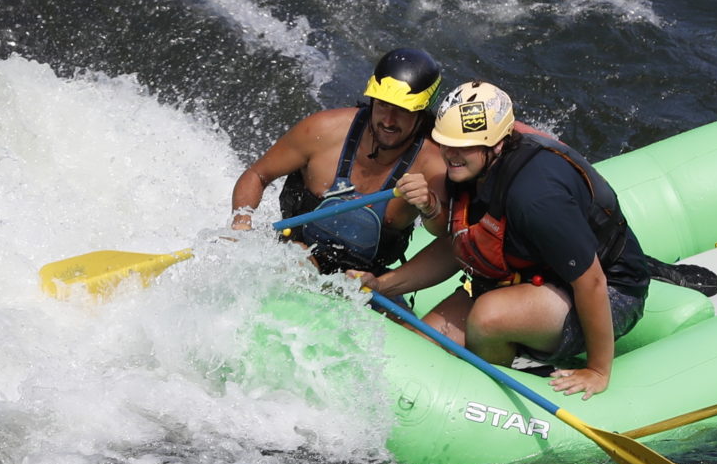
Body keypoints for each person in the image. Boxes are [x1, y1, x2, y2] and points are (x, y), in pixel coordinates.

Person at [356, 80, 651, 399]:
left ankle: (492, 389)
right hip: (526, 280)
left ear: (497, 143)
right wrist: (383, 285)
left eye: (464, 146)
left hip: (610, 292)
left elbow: (590, 280)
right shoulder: (469, 170)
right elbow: (460, 245)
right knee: (419, 345)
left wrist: (597, 370)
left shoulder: (535, 197)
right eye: (445, 143)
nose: (451, 155)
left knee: (489, 317)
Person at [230, 48, 448, 275]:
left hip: (362, 280)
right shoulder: (322, 131)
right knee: (295, 259)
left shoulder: (434, 166)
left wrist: (430, 206)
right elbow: (257, 175)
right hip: (291, 253)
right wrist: (241, 223)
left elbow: (446, 237)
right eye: (383, 105)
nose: (389, 121)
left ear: (423, 112)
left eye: (403, 110)